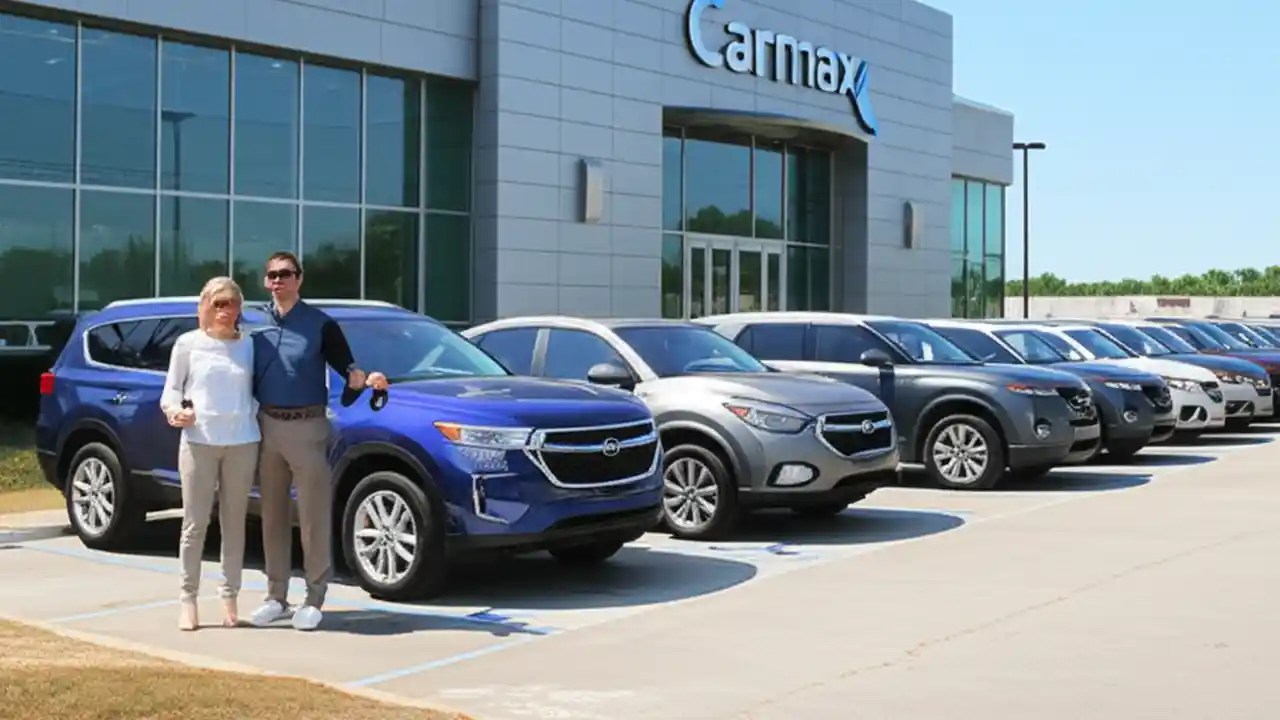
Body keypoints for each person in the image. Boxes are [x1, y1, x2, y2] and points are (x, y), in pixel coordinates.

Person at [247, 251, 388, 631]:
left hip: (307, 427)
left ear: (300, 278)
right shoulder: (252, 324)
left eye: (286, 274)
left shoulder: (321, 324)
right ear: (265, 281)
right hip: (266, 427)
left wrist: (365, 378)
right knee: (271, 516)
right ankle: (276, 596)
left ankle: (314, 596)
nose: (278, 281)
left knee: (311, 516)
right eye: (272, 275)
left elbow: (348, 369)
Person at [161, 276, 260, 631]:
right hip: (199, 441)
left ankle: (229, 596)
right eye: (217, 304)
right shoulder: (188, 344)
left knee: (235, 523)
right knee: (195, 523)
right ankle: (188, 599)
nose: (224, 310)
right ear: (204, 307)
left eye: (231, 303)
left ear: (239, 309)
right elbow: (170, 392)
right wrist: (177, 412)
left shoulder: (250, 345)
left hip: (243, 441)